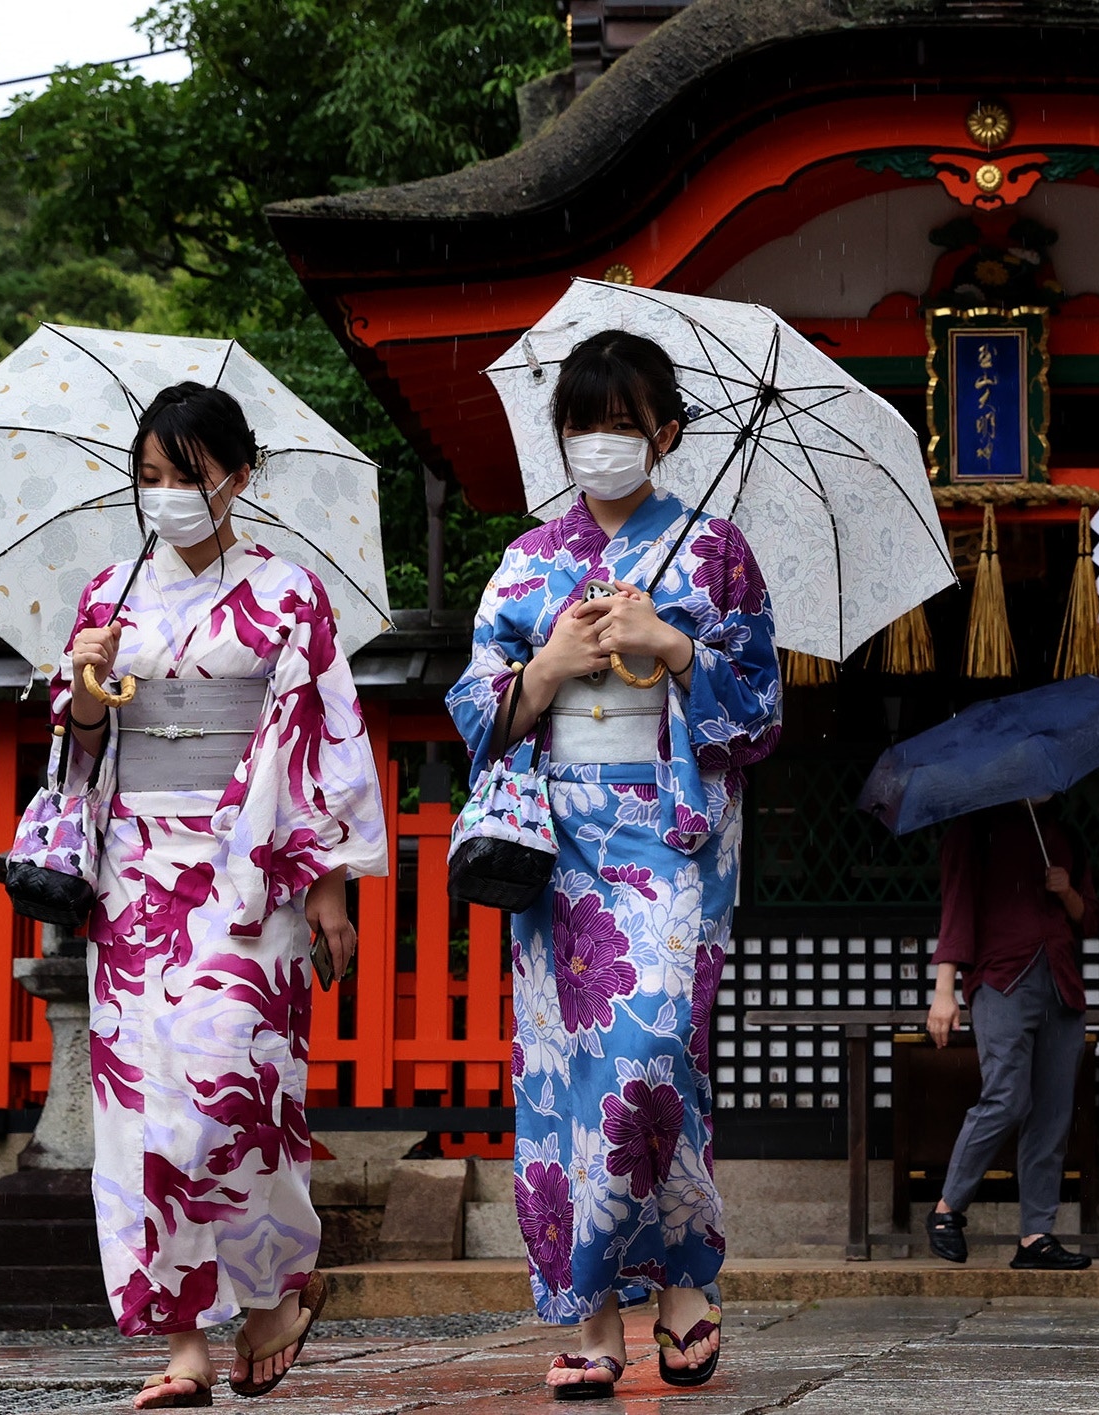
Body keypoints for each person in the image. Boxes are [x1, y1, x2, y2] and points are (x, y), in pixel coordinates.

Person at [448, 330, 781, 1398]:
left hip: (669, 828)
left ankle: (683, 1278)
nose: (599, 441)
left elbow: (761, 708)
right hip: (557, 839)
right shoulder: (525, 562)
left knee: (651, 1052)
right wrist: (547, 665)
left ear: (665, 435)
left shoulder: (714, 548)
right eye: (581, 424)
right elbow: (473, 710)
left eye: (621, 423)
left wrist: (674, 645)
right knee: (561, 1075)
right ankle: (592, 1316)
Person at [57, 382, 388, 1408]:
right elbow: (76, 747)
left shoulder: (290, 593)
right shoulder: (108, 597)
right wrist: (79, 686)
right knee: (145, 1118)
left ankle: (275, 1290)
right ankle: (185, 1339)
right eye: (149, 478)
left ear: (237, 476)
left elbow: (324, 745)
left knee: (229, 1098)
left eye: (186, 477)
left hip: (248, 874)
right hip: (134, 877)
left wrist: (329, 888)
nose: (166, 496)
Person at [922, 795, 1099, 1271]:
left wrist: (1066, 892)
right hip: (1001, 979)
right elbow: (956, 908)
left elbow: (1093, 918)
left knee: (1052, 1114)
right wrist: (945, 991)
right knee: (1007, 1097)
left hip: (1062, 985)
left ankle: (1035, 1236)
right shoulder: (973, 830)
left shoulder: (1064, 835)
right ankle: (947, 1209)